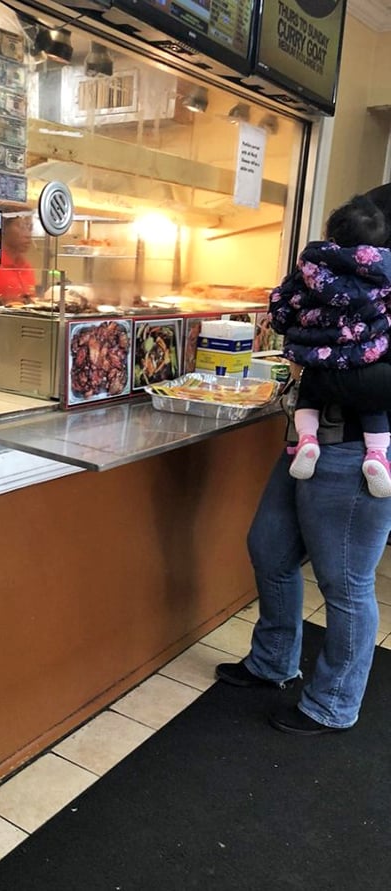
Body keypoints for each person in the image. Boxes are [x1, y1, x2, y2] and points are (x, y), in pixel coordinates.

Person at [215, 396, 391, 734]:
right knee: (270, 547)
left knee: (345, 582)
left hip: (362, 451)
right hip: (311, 439)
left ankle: (334, 703)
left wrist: (318, 368)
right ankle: (273, 660)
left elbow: (376, 380)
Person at [267, 194, 391, 496]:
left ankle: (306, 440)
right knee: (372, 405)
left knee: (310, 390)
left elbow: (282, 308)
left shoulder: (311, 267)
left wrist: (286, 322)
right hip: (365, 353)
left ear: (331, 238)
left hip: (313, 353)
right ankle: (377, 455)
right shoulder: (384, 275)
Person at [0, 212, 37, 305]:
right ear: (4, 229)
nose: (28, 235)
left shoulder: (26, 267)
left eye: (30, 228)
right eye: (22, 227)